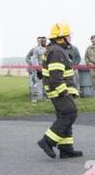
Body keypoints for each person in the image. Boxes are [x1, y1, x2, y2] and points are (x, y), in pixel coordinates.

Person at [35, 23, 84, 160]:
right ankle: (47, 141)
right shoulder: (57, 51)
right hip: (59, 91)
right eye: (68, 35)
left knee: (64, 117)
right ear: (61, 38)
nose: (70, 37)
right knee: (70, 113)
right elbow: (56, 76)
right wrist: (64, 92)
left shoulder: (54, 49)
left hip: (57, 90)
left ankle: (66, 149)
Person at [26, 36, 48, 101]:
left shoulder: (48, 48)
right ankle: (35, 98)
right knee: (37, 83)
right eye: (42, 41)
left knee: (45, 84)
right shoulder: (36, 49)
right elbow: (34, 59)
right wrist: (36, 67)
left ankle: (44, 97)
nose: (44, 42)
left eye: (45, 41)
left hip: (46, 69)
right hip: (38, 69)